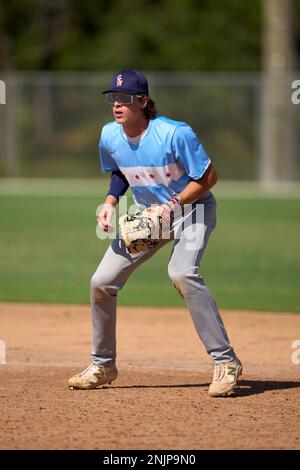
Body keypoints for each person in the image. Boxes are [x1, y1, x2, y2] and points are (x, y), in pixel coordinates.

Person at [68, 69, 242, 397]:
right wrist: (109, 202)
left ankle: (226, 361)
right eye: (113, 98)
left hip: (193, 211)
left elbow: (208, 177)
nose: (117, 104)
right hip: (150, 219)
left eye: (125, 99)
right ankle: (103, 364)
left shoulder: (176, 134)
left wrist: (172, 204)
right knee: (101, 282)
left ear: (143, 101)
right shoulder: (110, 135)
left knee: (182, 273)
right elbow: (120, 171)